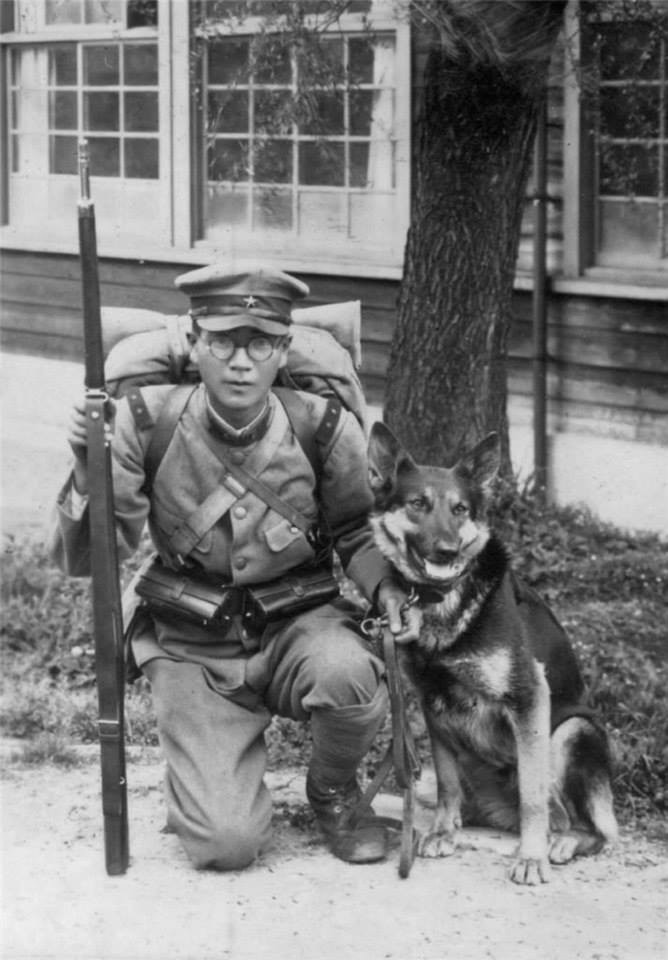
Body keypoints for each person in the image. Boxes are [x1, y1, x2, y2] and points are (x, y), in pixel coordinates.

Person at [50, 264, 421, 871]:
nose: (241, 362)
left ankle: (330, 791)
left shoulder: (321, 424)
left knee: (349, 673)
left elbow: (356, 528)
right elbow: (93, 555)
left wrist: (387, 589)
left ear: (283, 350)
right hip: (192, 643)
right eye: (223, 341)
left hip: (298, 626)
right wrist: (87, 464)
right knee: (226, 845)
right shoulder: (146, 420)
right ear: (195, 345)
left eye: (261, 343)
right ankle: (207, 781)